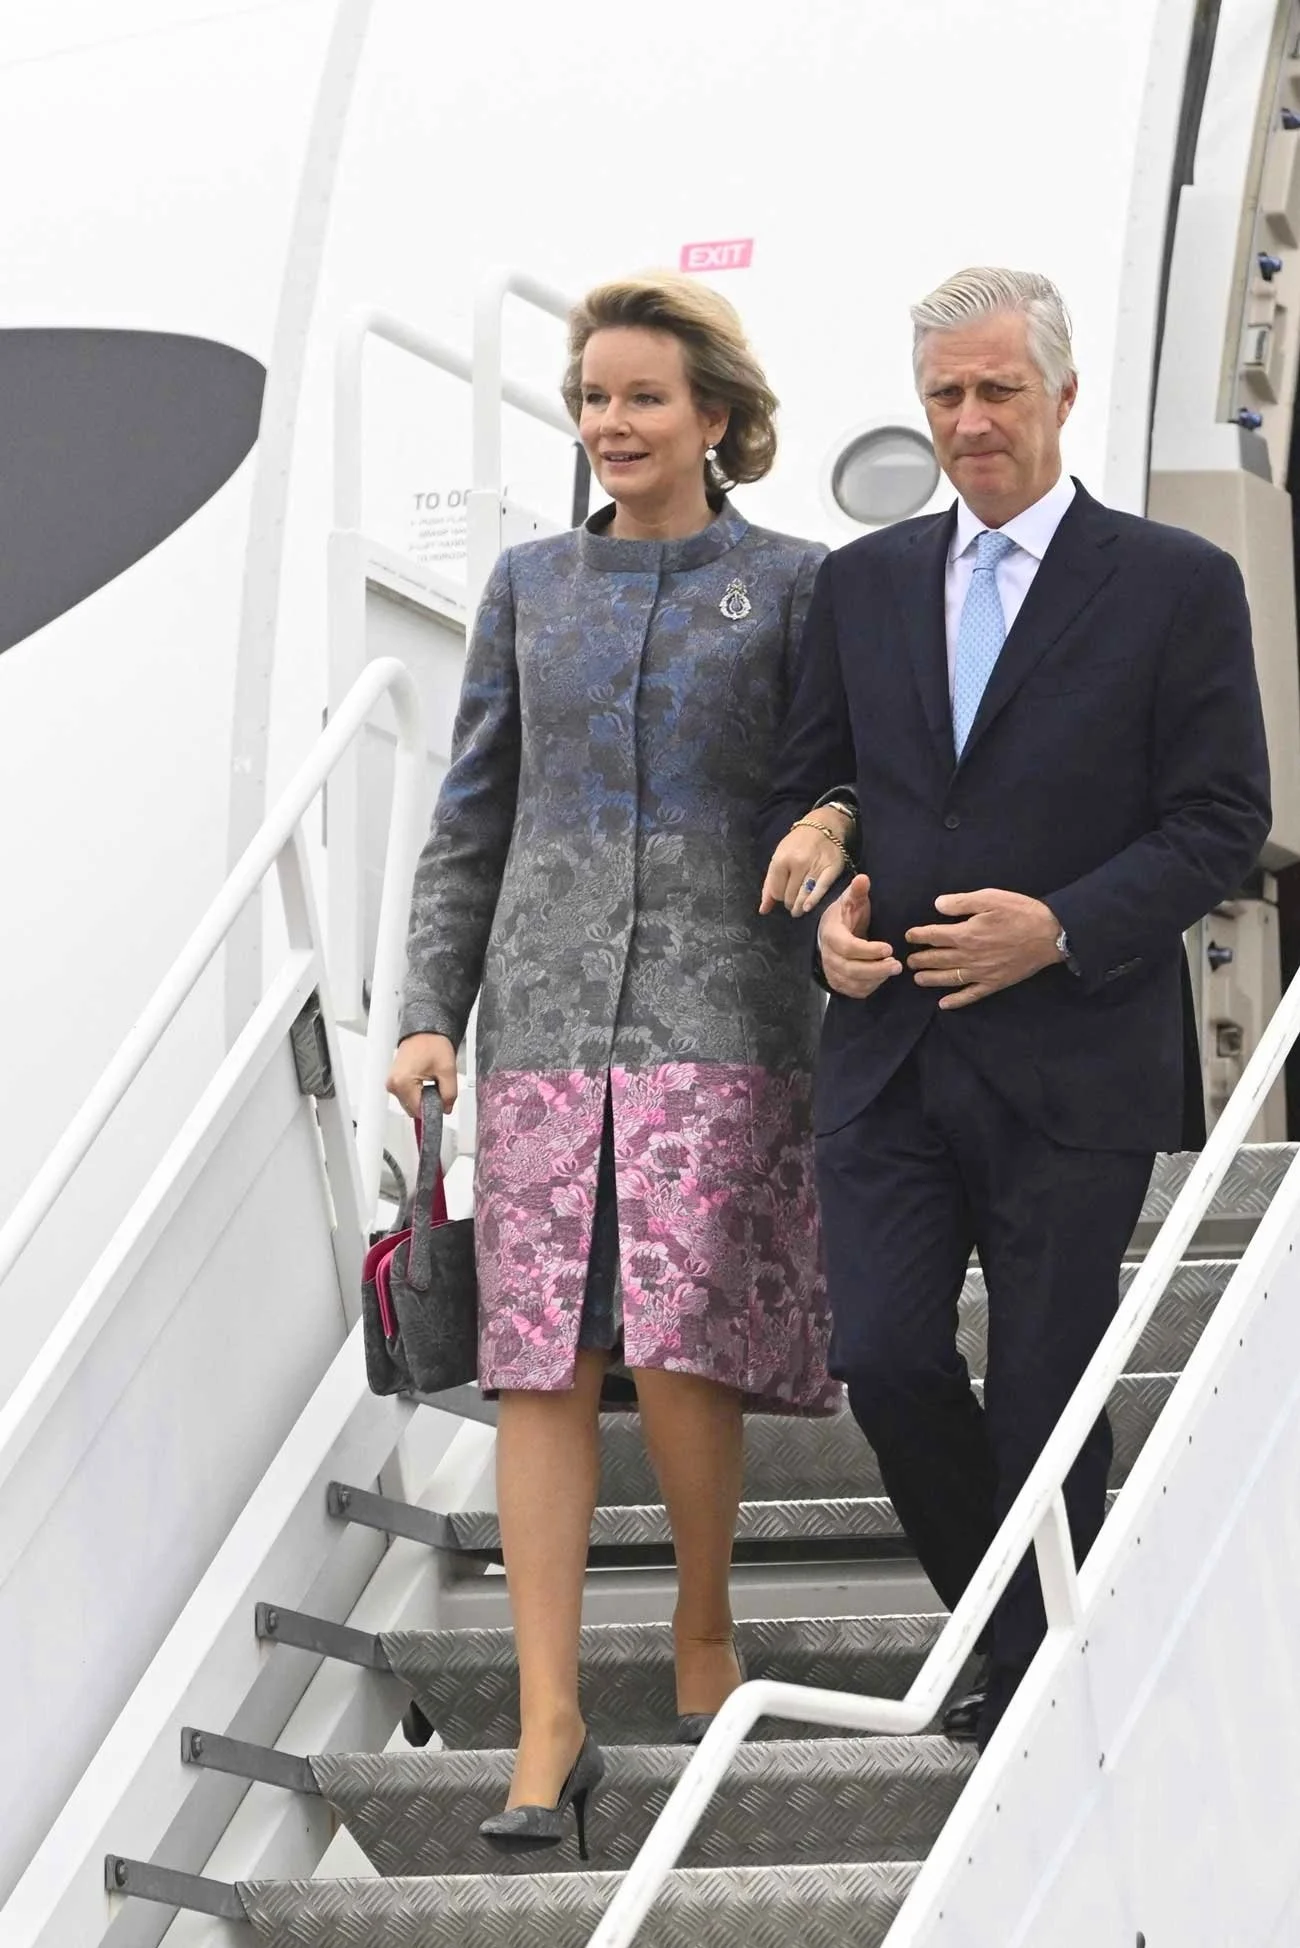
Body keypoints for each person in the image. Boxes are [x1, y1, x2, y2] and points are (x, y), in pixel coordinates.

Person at [760, 266, 1271, 1749]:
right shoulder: (860, 584)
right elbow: (816, 783)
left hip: (1077, 1059)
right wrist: (824, 917)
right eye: (945, 395)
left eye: (998, 389)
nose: (971, 420)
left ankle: (1032, 1688)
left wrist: (1060, 929)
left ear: (1062, 393)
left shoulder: (1176, 582)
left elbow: (1222, 818)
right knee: (884, 1357)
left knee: (1048, 1394)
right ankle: (1025, 1645)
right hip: (890, 1052)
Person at [388, 272, 847, 1855]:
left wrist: (836, 841)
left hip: (725, 1008)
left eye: (643, 396)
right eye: (593, 396)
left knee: (683, 1341)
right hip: (542, 1019)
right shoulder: (530, 586)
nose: (611, 422)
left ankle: (704, 1634)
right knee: (537, 1361)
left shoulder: (794, 586)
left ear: (713, 416)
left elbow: (842, 773)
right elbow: (472, 813)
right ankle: (548, 1723)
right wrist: (427, 1006)